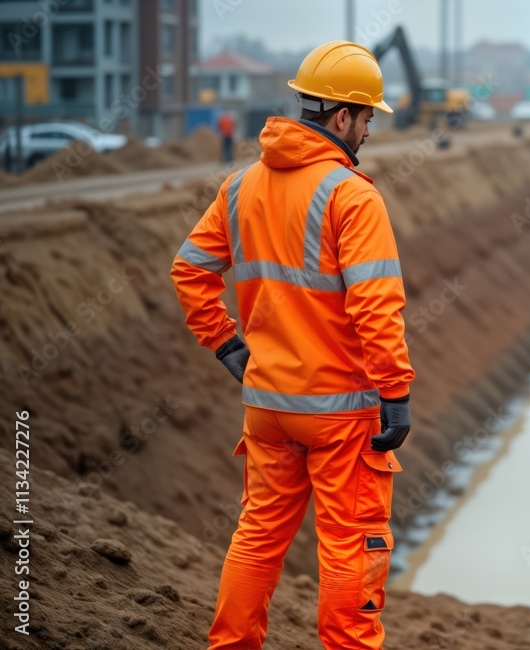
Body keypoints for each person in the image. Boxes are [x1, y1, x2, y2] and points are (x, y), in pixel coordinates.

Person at [170, 40, 415, 649]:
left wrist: (227, 346)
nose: (368, 132)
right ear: (340, 117)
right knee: (351, 547)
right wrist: (396, 392)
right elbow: (375, 305)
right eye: (366, 119)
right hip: (340, 414)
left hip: (268, 407)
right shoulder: (352, 196)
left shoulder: (240, 186)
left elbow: (190, 269)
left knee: (257, 539)